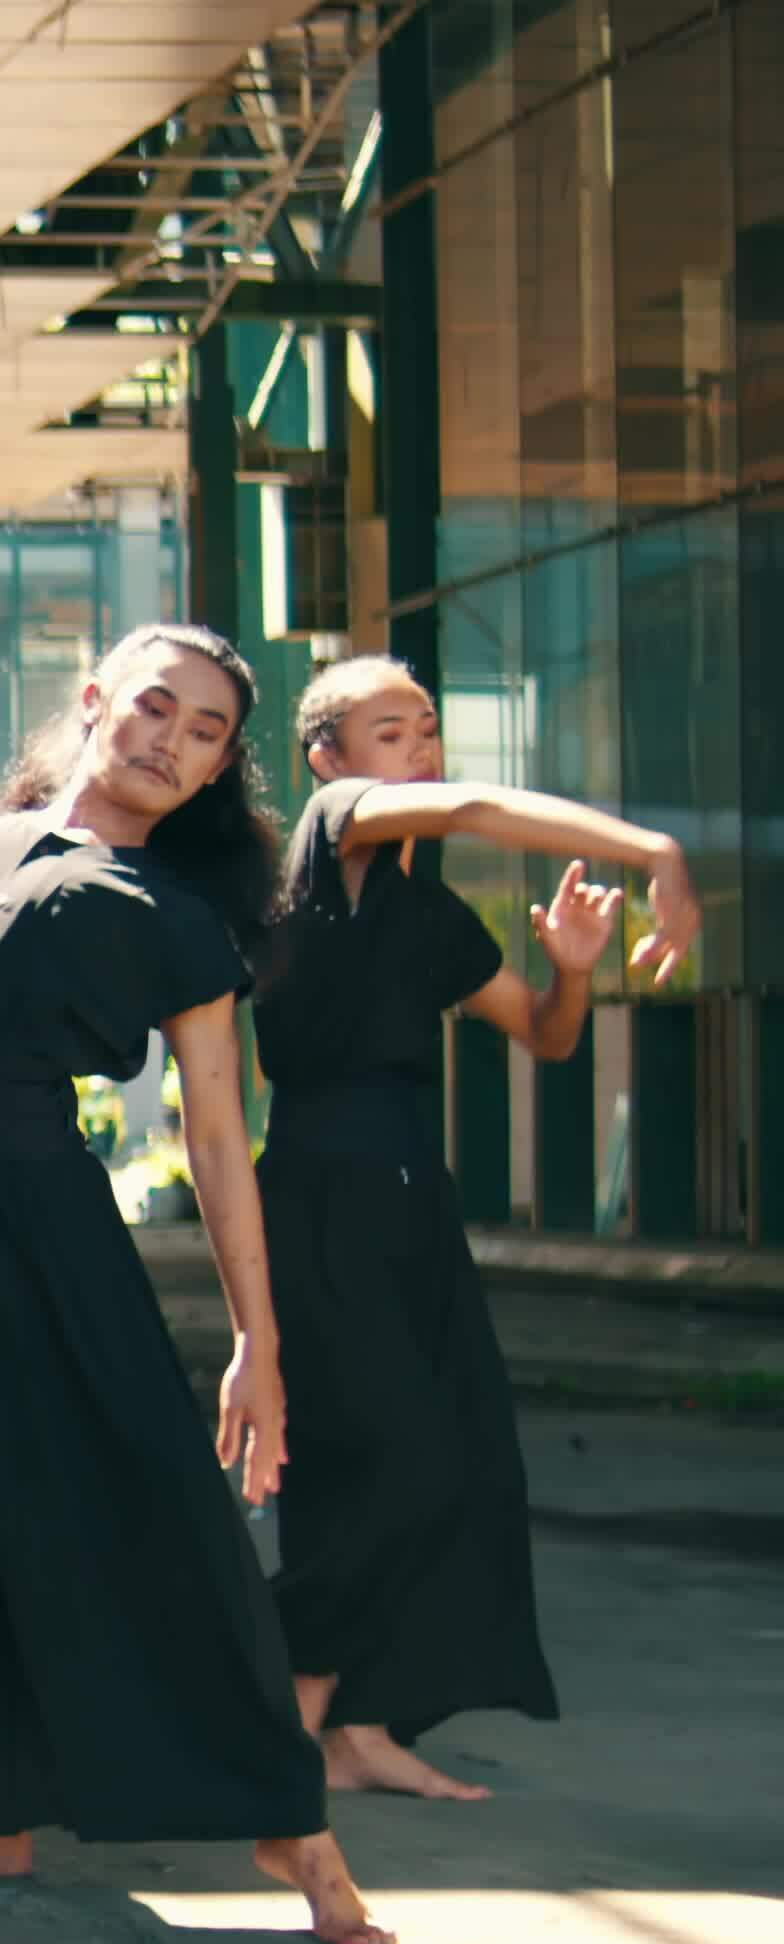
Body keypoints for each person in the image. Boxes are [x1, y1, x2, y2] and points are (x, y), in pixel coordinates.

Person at [0, 623, 392, 1944]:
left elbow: (218, 1140)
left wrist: (256, 1343)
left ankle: (288, 1811)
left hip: (36, 1229)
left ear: (223, 764)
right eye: (155, 707)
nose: (172, 739)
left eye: (208, 730)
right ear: (96, 699)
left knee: (147, 1510)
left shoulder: (175, 920)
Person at [257, 655, 697, 1801]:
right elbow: (474, 808)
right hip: (322, 1186)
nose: (421, 750)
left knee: (453, 1462)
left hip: (412, 1192)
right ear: (330, 759)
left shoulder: (426, 914)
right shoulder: (331, 835)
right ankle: (280, 1711)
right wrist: (657, 854)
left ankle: (356, 1730)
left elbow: (545, 1038)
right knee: (399, 1456)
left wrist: (574, 973)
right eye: (389, 730)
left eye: (428, 729)